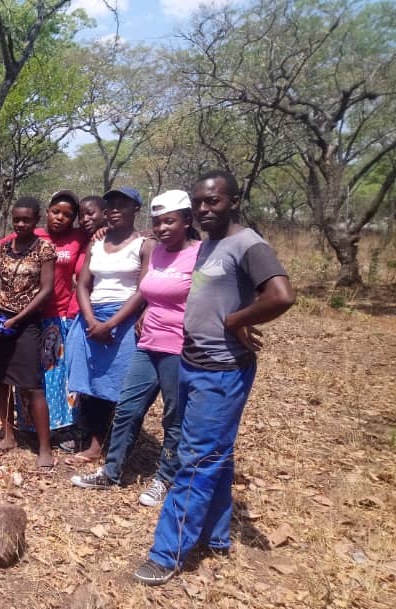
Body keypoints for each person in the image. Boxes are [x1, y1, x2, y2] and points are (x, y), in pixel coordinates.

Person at [135, 172, 295, 585]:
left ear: (234, 202)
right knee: (215, 456)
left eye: (213, 201)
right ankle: (216, 535)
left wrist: (239, 319)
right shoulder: (208, 243)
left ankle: (166, 553)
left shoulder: (248, 244)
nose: (205, 209)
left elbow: (281, 295)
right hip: (192, 362)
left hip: (222, 371)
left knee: (196, 460)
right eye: (199, 202)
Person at [71, 190, 201, 507]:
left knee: (173, 417)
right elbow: (144, 285)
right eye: (157, 222)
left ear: (186, 220)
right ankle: (111, 471)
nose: (163, 227)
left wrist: (236, 322)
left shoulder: (200, 253)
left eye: (170, 221)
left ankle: (164, 478)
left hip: (179, 346)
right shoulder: (154, 250)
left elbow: (224, 291)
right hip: (148, 342)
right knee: (128, 408)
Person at [64, 187, 154, 466]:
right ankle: (92, 441)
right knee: (89, 382)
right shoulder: (96, 244)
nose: (115, 209)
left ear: (136, 209)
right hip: (91, 316)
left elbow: (143, 289)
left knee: (117, 383)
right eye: (111, 204)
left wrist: (112, 323)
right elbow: (83, 284)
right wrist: (91, 320)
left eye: (122, 204)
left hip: (124, 319)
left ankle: (116, 444)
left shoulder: (145, 245)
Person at [0, 198, 57, 471]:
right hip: (1, 319)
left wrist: (18, 319)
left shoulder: (44, 249)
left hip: (27, 322)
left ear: (36, 220)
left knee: (31, 384)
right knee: (1, 379)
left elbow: (47, 289)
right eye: (17, 219)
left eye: (26, 220)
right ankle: (8, 435)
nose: (21, 224)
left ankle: (44, 447)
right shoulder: (1, 247)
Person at [13, 189, 88, 436]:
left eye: (67, 215)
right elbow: (1, 253)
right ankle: (28, 423)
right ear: (46, 212)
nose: (60, 218)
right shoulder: (31, 234)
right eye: (56, 212)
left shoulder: (79, 237)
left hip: (58, 315)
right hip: (26, 314)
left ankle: (60, 427)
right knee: (28, 371)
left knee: (56, 375)